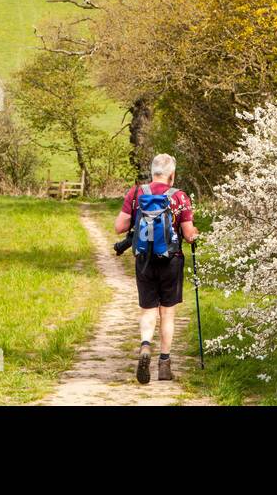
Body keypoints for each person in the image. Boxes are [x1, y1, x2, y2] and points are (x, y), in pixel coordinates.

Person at [115, 152, 198, 384]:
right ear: (172, 175)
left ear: (153, 173)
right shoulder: (180, 197)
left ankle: (144, 346)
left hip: (144, 260)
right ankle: (164, 365)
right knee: (167, 313)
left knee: (148, 310)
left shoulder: (137, 193)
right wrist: (194, 234)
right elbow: (189, 234)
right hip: (171, 260)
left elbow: (119, 227)